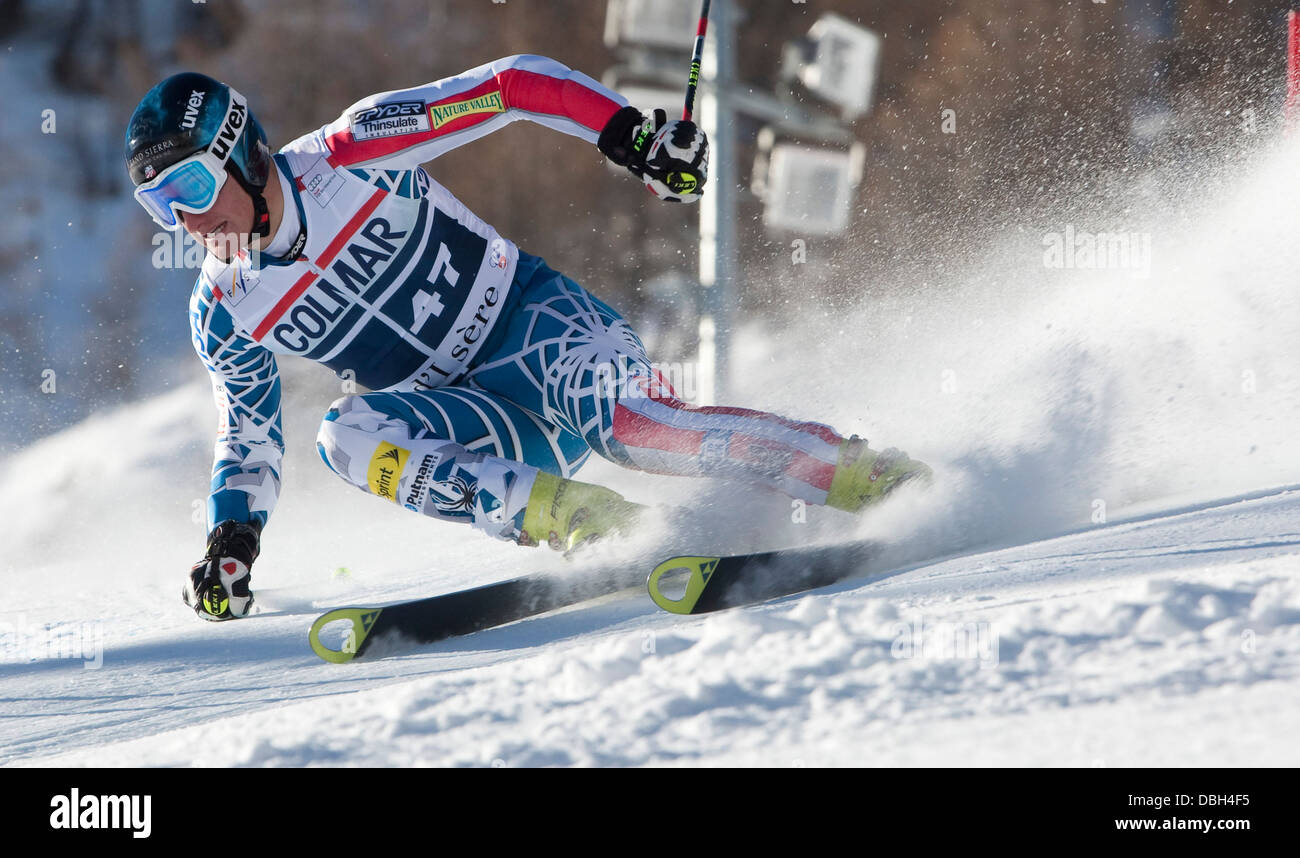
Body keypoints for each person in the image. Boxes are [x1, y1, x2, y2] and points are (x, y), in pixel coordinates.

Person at [124, 56, 930, 621]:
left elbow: (508, 87)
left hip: (537, 330)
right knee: (345, 434)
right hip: (478, 421)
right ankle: (589, 523)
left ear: (242, 152)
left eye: (191, 187)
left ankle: (859, 474)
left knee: (637, 433)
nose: (188, 221)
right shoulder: (224, 305)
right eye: (162, 208)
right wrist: (232, 537)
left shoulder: (353, 153)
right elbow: (250, 431)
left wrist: (630, 137)